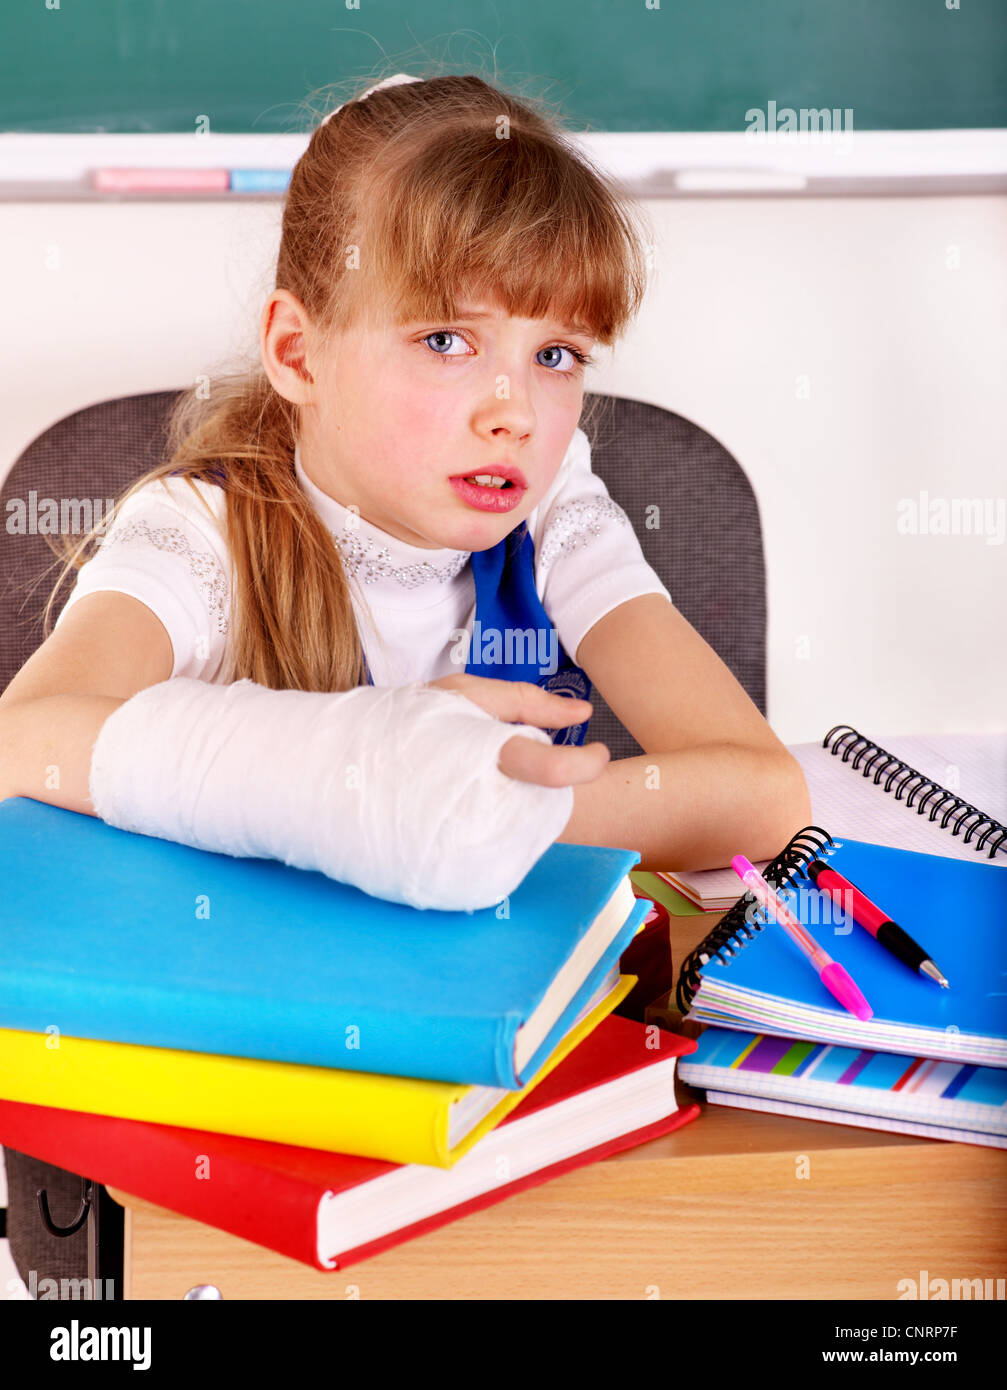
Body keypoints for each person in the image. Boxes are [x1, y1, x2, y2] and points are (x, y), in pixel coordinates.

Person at [0, 69, 810, 1291]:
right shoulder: (197, 533)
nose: (511, 412)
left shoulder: (558, 514)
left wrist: (466, 808)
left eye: (554, 354)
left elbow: (759, 793)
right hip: (259, 1087)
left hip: (506, 1094)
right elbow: (29, 740)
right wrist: (373, 782)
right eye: (445, 340)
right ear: (296, 349)